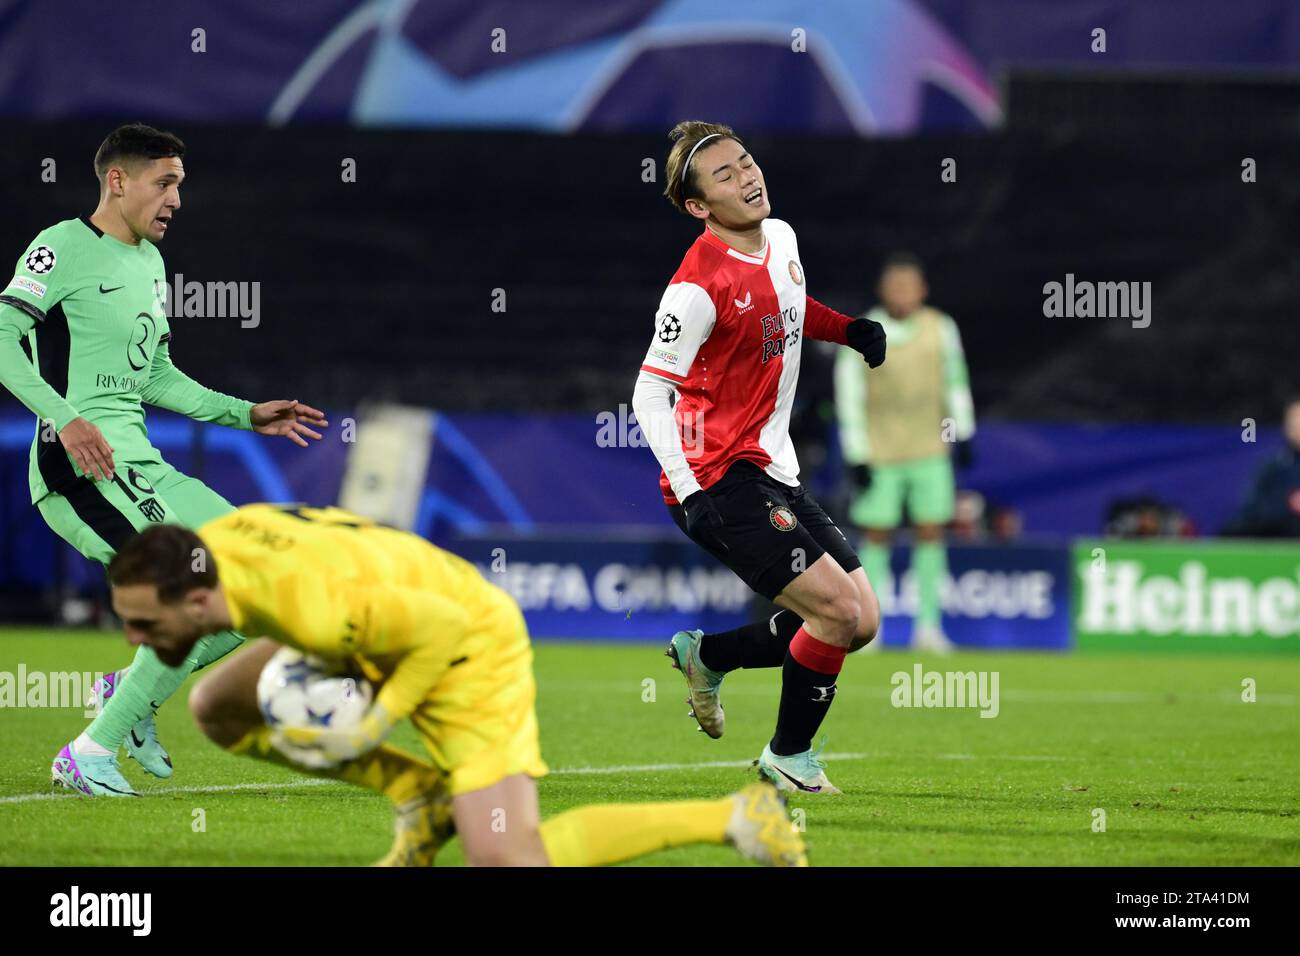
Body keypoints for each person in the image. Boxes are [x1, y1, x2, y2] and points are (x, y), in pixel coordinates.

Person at [105, 504, 807, 867]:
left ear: (196, 604)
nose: (134, 638)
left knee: (507, 856)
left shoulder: (311, 605)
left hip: (469, 642)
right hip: (386, 615)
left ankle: (736, 817)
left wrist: (375, 719)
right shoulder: (215, 547)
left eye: (142, 622)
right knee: (215, 706)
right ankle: (419, 796)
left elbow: (436, 631)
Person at [0, 122, 327, 795]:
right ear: (117, 181)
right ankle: (89, 751)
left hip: (143, 465)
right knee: (190, 592)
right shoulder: (61, 247)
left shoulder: (150, 262)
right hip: (81, 469)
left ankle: (132, 690)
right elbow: (2, 340)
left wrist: (244, 412)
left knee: (262, 580)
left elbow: (156, 377)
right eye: (165, 182)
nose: (177, 198)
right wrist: (65, 418)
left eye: (180, 184)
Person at [631, 120, 887, 794]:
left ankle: (708, 654)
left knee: (860, 620)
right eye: (725, 174)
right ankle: (787, 758)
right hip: (718, 478)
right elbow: (650, 389)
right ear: (698, 207)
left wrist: (848, 331)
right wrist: (690, 490)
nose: (746, 176)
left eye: (745, 161)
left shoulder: (781, 238)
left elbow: (793, 309)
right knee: (835, 613)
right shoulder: (695, 287)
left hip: (774, 467)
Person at [833, 252, 975, 653]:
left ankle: (928, 627)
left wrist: (962, 431)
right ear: (883, 291)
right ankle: (868, 628)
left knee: (931, 531)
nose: (902, 294)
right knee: (877, 535)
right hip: (879, 451)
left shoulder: (940, 328)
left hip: (929, 448)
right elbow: (850, 395)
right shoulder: (861, 332)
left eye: (909, 287)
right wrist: (856, 453)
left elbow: (955, 380)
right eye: (895, 287)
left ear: (922, 291)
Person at [1223, 397, 1300, 538]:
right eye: (1295, 422)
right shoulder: (1273, 468)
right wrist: (1289, 504)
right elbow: (1253, 512)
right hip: (1278, 542)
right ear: (1287, 427)